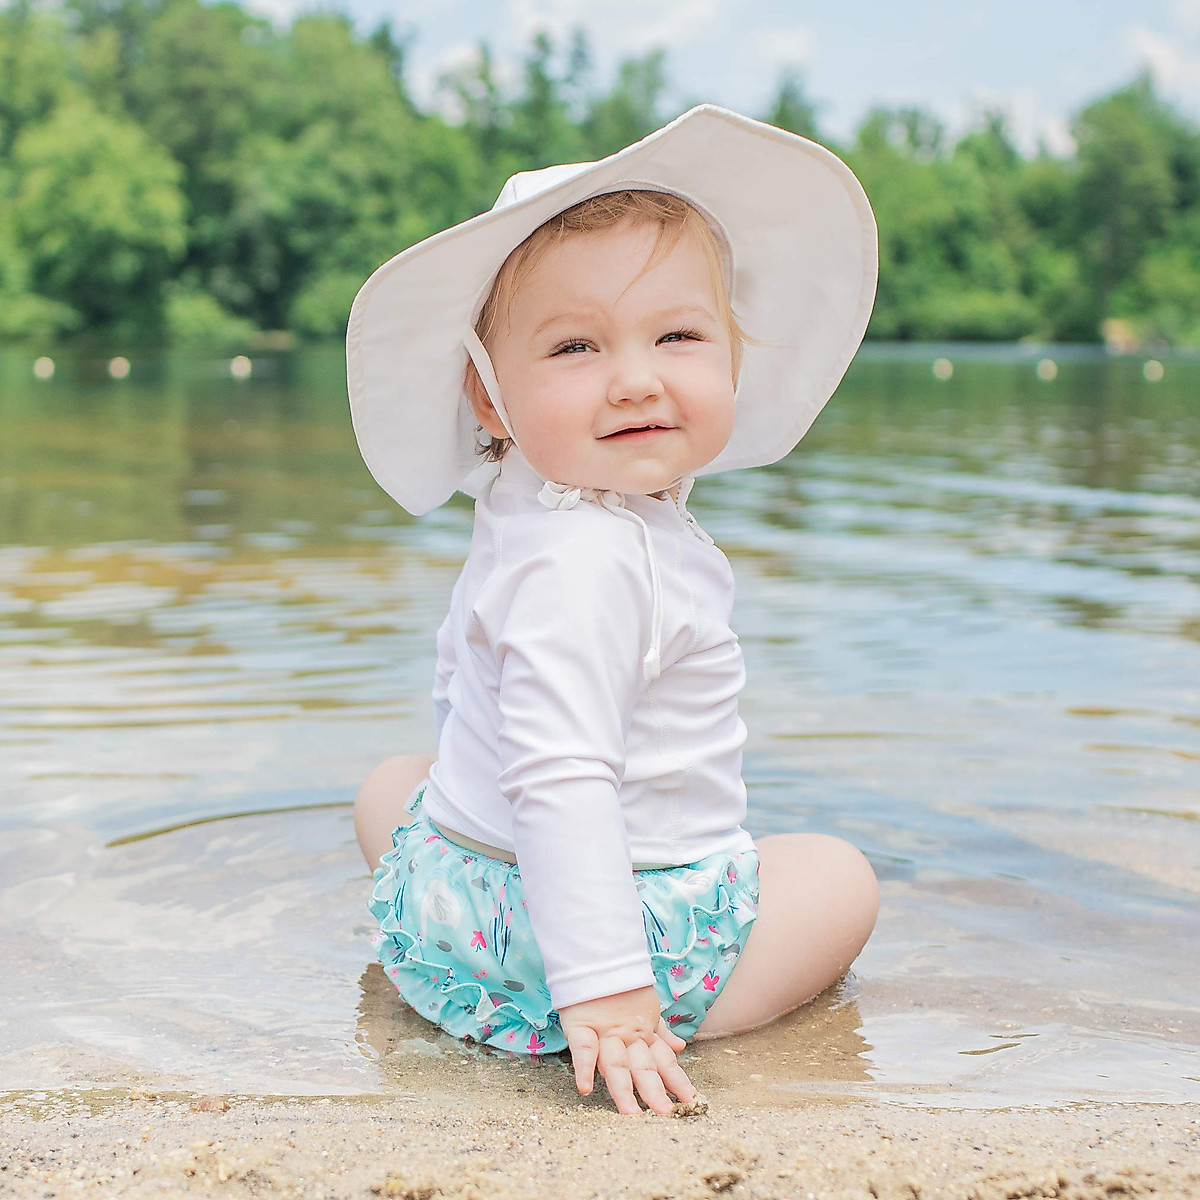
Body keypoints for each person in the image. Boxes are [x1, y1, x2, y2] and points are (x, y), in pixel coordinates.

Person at [346, 104, 881, 1116]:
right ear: (492, 398)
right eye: (577, 347)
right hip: (593, 950)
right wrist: (606, 988)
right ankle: (631, 1024)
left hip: (461, 912)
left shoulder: (522, 506)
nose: (636, 378)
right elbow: (560, 771)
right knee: (840, 877)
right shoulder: (599, 557)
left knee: (394, 782)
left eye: (677, 334)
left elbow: (463, 691)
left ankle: (469, 958)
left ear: (733, 353)